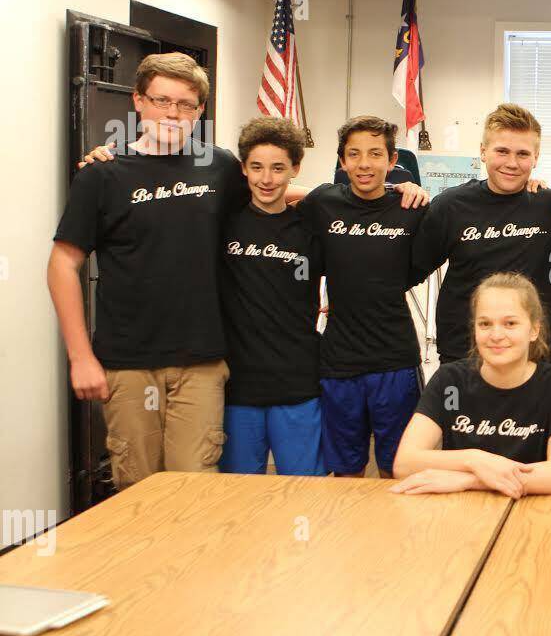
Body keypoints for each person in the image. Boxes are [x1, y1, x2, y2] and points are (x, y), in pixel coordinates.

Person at [48, 53, 249, 488]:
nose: (172, 113)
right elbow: (63, 264)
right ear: (138, 101)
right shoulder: (102, 175)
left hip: (201, 362)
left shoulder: (218, 167)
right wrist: (80, 357)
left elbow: (274, 193)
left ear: (199, 111)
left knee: (193, 489)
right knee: (137, 494)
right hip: (128, 363)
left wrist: (374, 191)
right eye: (161, 100)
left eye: (186, 104)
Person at [295, 116, 429, 479]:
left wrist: (415, 190)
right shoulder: (324, 202)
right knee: (346, 470)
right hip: (339, 361)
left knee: (398, 468)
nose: (364, 163)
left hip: (395, 361)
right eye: (353, 154)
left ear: (392, 159)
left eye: (374, 154)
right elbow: (283, 197)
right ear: (342, 161)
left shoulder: (411, 209)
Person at [392, 272, 551, 496]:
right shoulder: (450, 383)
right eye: (485, 324)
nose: (496, 335)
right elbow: (405, 463)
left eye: (510, 323)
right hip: (459, 511)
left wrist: (467, 479)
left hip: (531, 510)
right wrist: (474, 460)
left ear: (534, 330)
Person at [409, 104, 551, 364]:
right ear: (483, 151)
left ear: (536, 157)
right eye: (502, 151)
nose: (512, 163)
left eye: (523, 154)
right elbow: (408, 270)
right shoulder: (451, 206)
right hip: (464, 355)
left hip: (534, 357)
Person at [217, 117, 325, 476]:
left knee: (303, 492)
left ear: (295, 168)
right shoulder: (222, 223)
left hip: (297, 383)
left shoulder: (311, 229)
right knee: (238, 497)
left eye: (278, 168)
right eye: (257, 167)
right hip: (237, 387)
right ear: (243, 169)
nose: (267, 179)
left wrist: (403, 188)